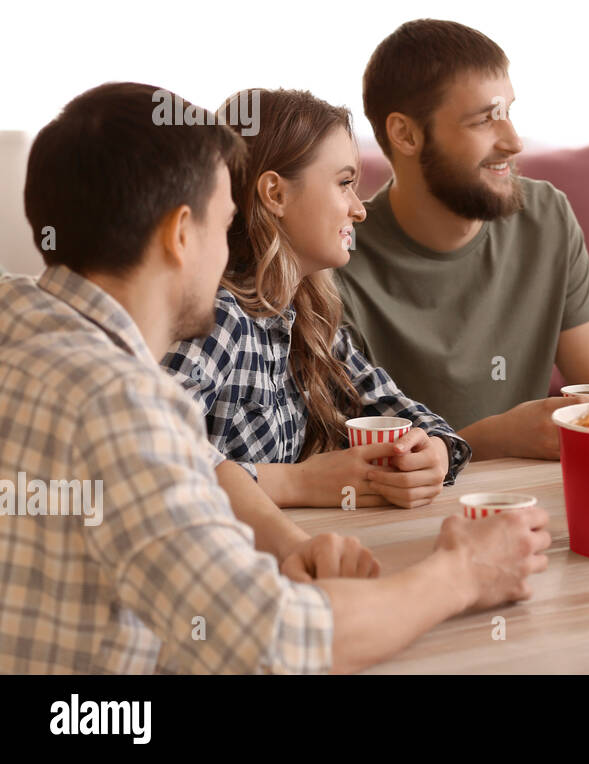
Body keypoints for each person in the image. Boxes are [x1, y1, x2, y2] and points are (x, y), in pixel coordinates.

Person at [0, 83, 549, 673]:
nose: (228, 251)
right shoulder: (123, 403)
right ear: (181, 234)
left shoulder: (16, 315)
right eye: (225, 222)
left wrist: (290, 543)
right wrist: (463, 573)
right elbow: (280, 645)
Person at [333, 18, 589, 462]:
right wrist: (492, 440)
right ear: (405, 134)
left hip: (533, 502)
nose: (513, 142)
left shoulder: (545, 216)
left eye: (508, 112)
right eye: (483, 121)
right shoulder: (337, 259)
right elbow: (346, 459)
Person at [161, 89, 468, 509]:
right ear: (276, 195)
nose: (359, 210)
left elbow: (401, 411)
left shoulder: (309, 318)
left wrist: (435, 452)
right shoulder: (218, 318)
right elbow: (152, 459)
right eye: (344, 184)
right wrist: (297, 483)